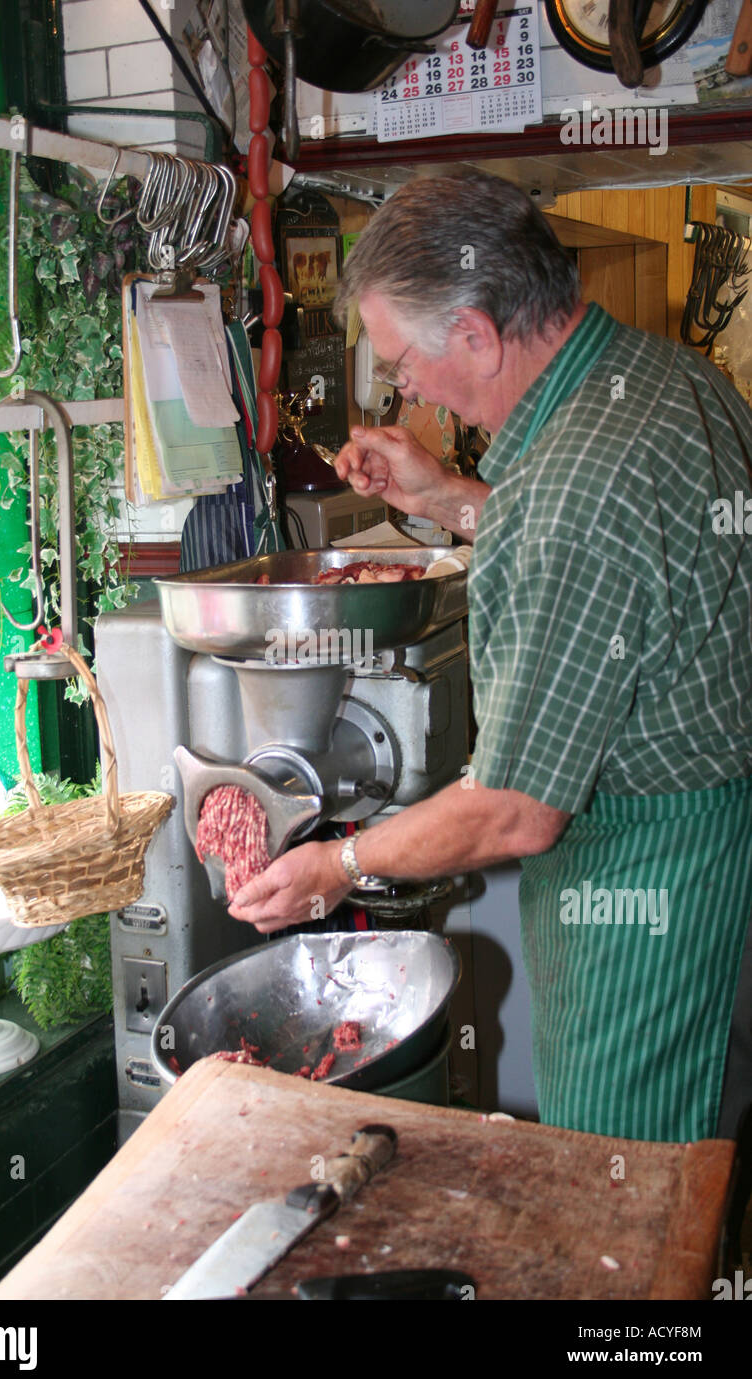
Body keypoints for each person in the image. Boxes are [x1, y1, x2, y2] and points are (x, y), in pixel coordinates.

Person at [228, 171, 752, 1146]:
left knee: (624, 1213)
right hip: (723, 838)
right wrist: (443, 498)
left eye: (400, 360)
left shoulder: (568, 488)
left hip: (651, 893)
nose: (404, 388)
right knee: (701, 1188)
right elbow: (627, 552)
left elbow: (511, 809)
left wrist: (334, 866)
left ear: (472, 331)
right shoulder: (659, 378)